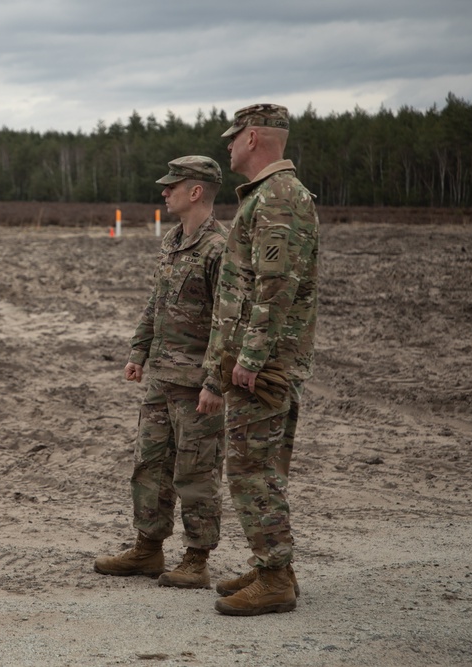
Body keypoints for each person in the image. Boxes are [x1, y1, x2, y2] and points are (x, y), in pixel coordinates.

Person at [196, 104, 319, 615]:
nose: (227, 146)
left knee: (251, 469)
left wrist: (249, 357)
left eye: (233, 138)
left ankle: (274, 580)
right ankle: (275, 566)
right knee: (259, 465)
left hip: (262, 364)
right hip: (261, 358)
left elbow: (275, 289)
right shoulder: (269, 197)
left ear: (253, 138)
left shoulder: (278, 198)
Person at [94, 156, 228, 589]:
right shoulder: (172, 240)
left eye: (173, 186)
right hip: (162, 377)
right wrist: (139, 350)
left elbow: (230, 321)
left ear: (196, 192)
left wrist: (215, 381)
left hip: (197, 385)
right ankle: (148, 548)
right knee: (150, 464)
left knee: (196, 470)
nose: (164, 192)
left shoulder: (220, 249)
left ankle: (196, 557)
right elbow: (157, 301)